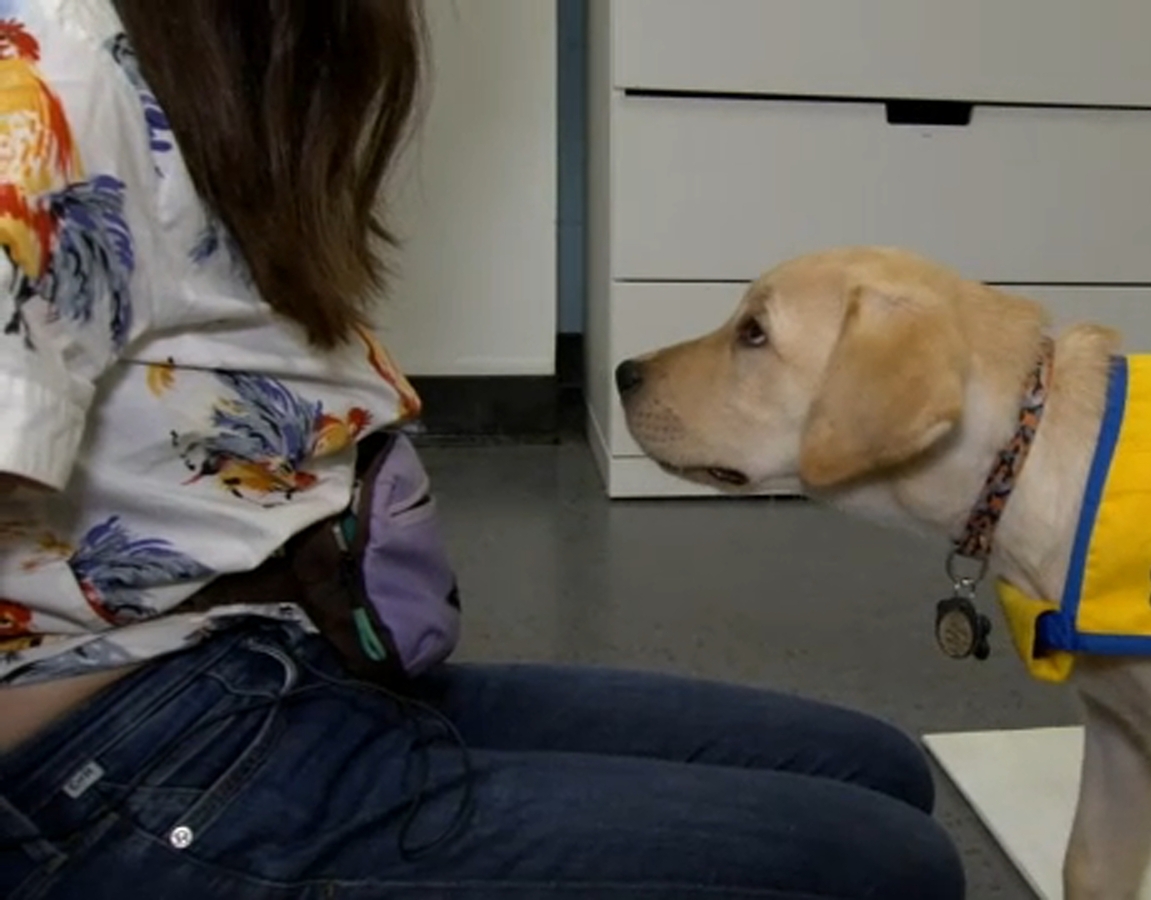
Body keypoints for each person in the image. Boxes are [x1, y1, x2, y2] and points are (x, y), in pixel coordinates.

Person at [0, 1, 965, 897]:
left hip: (288, 666)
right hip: (141, 753)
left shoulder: (203, 70)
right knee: (886, 868)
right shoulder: (52, 73)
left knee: (876, 767)